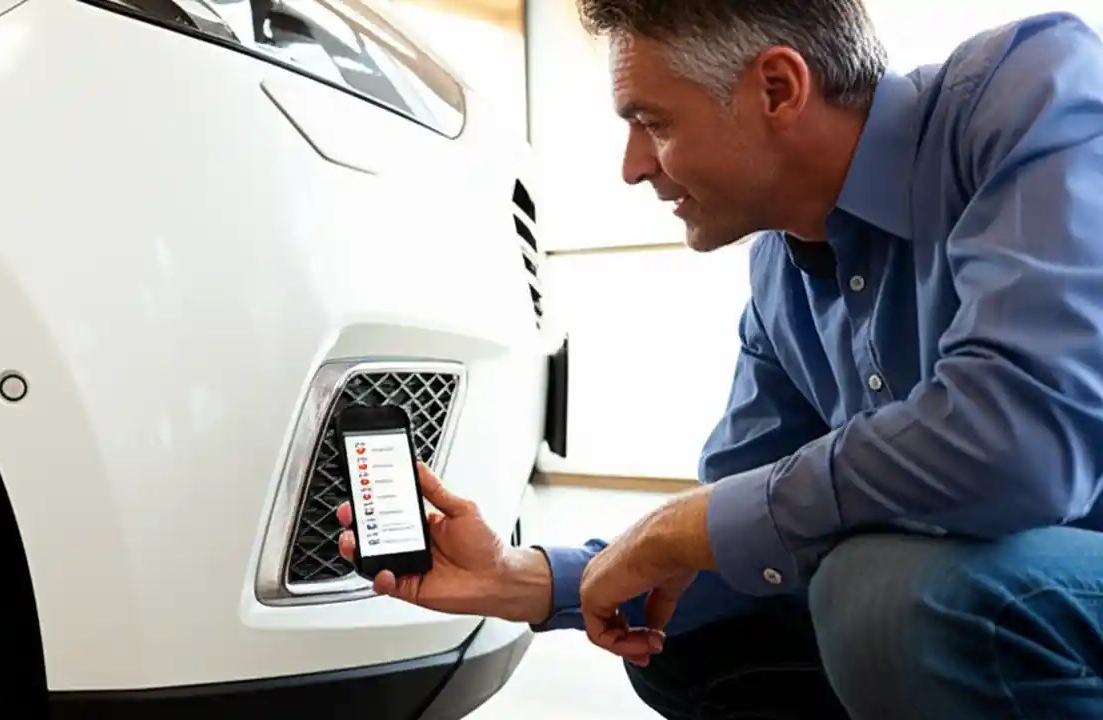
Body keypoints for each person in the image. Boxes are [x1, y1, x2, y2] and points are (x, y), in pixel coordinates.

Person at [336, 2, 1103, 718]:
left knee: (883, 596)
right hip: (992, 584)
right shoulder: (780, 266)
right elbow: (737, 518)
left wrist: (682, 532)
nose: (633, 166)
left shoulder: (1028, 92)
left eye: (651, 122)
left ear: (777, 87)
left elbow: (1021, 443)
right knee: (684, 637)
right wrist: (526, 578)